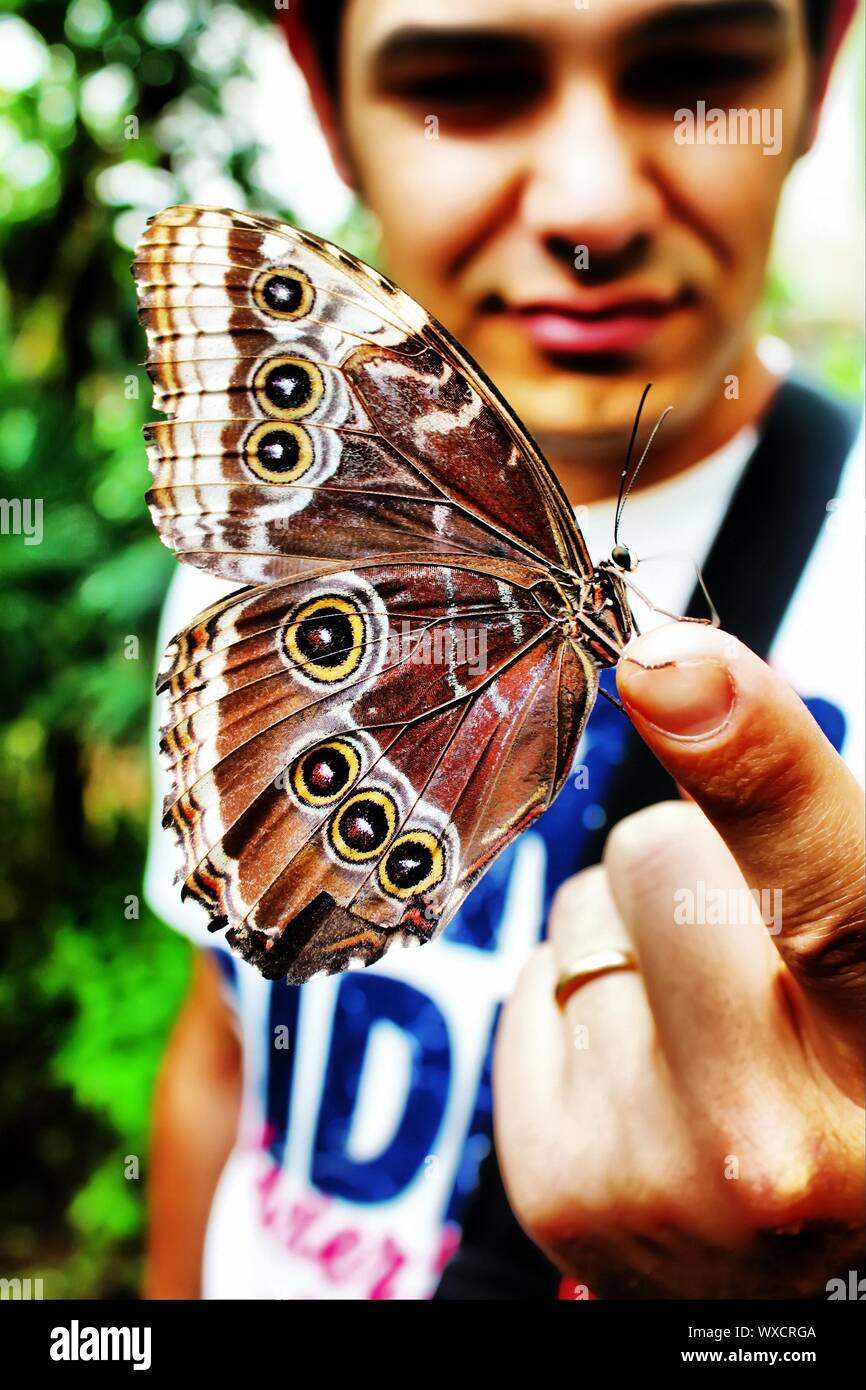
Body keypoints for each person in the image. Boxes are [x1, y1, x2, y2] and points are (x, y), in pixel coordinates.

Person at [143, 0, 863, 1299]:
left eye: (694, 74)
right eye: (468, 82)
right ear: (321, 89)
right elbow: (220, 1044)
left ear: (819, 71)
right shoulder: (271, 551)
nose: (589, 209)